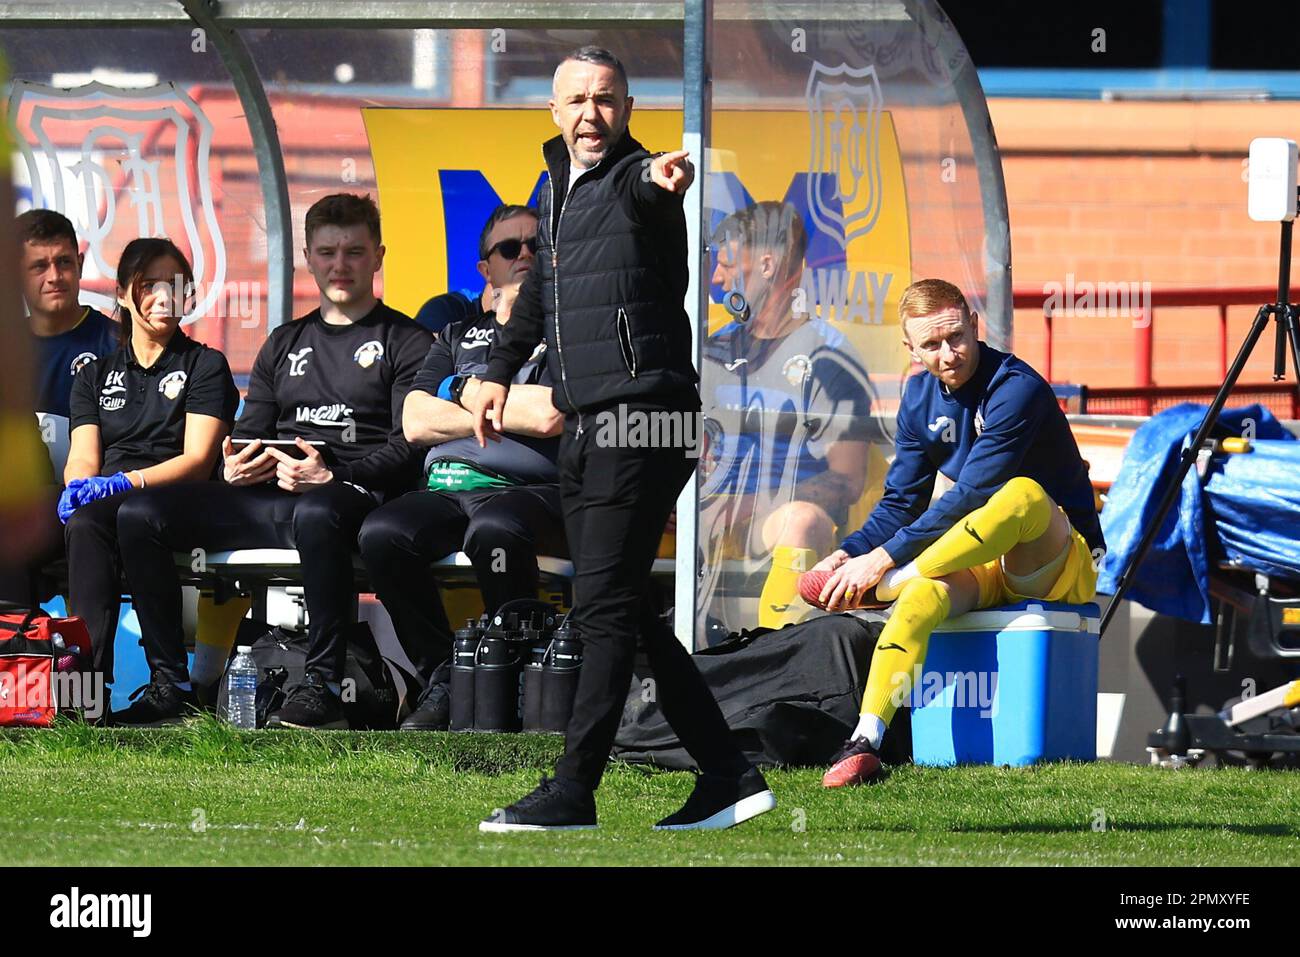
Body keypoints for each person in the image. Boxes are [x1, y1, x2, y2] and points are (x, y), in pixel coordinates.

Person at [467, 46, 775, 831]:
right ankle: (730, 774)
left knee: (601, 611)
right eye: (575, 100)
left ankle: (572, 789)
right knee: (624, 607)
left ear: (629, 106)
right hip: (589, 423)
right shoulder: (558, 188)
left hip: (644, 419)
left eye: (605, 99)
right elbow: (536, 293)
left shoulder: (641, 179)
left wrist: (662, 181)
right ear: (553, 111)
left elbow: (651, 191)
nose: (589, 114)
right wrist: (500, 367)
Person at [114, 193, 430, 727]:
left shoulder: (407, 339)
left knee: (317, 511)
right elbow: (248, 432)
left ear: (379, 256)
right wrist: (233, 465)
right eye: (327, 252)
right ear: (308, 257)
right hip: (268, 497)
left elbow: (409, 444)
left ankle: (324, 683)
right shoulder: (284, 342)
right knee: (140, 516)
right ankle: (172, 684)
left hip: (348, 496)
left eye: (354, 252)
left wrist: (337, 474)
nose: (340, 265)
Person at [812, 278, 1105, 787]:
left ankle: (893, 584)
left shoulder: (1017, 387)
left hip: (1057, 560)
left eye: (956, 337)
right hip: (980, 556)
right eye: (930, 344)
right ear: (910, 349)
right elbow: (900, 502)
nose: (948, 353)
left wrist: (881, 565)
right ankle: (865, 739)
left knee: (1021, 493)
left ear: (974, 324)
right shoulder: (918, 396)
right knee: (922, 597)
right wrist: (846, 554)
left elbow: (972, 493)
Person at [359, 203, 565, 730]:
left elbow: (546, 416)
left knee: (494, 530)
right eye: (507, 248)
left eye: (533, 247)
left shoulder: (566, 335)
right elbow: (414, 421)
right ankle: (446, 677)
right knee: (382, 532)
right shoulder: (455, 335)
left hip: (530, 489)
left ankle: (512, 680)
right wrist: (490, 404)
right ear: (485, 269)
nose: (522, 256)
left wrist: (459, 394)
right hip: (448, 486)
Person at [61, 237, 238, 699]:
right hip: (116, 499)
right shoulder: (93, 374)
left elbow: (198, 461)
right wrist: (80, 484)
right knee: (83, 522)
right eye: (149, 286)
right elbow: (83, 454)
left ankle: (170, 680)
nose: (164, 297)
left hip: (181, 500)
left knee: (135, 515)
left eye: (176, 286)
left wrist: (127, 482)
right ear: (123, 294)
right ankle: (86, 690)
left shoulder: (205, 365)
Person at [701, 201, 881, 631]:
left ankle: (777, 657)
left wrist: (754, 502)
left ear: (766, 264)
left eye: (726, 263)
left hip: (776, 520)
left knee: (801, 521)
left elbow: (847, 481)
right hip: (707, 515)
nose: (717, 279)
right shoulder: (713, 347)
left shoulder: (828, 355)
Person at [18, 209, 117, 463]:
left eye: (64, 262)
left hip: (96, 501)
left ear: (80, 265)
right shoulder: (7, 348)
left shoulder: (119, 346)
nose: (54, 277)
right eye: (39, 266)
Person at [412, 206, 538, 335]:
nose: (525, 253)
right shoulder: (446, 312)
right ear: (486, 271)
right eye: (509, 248)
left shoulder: (557, 317)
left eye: (536, 245)